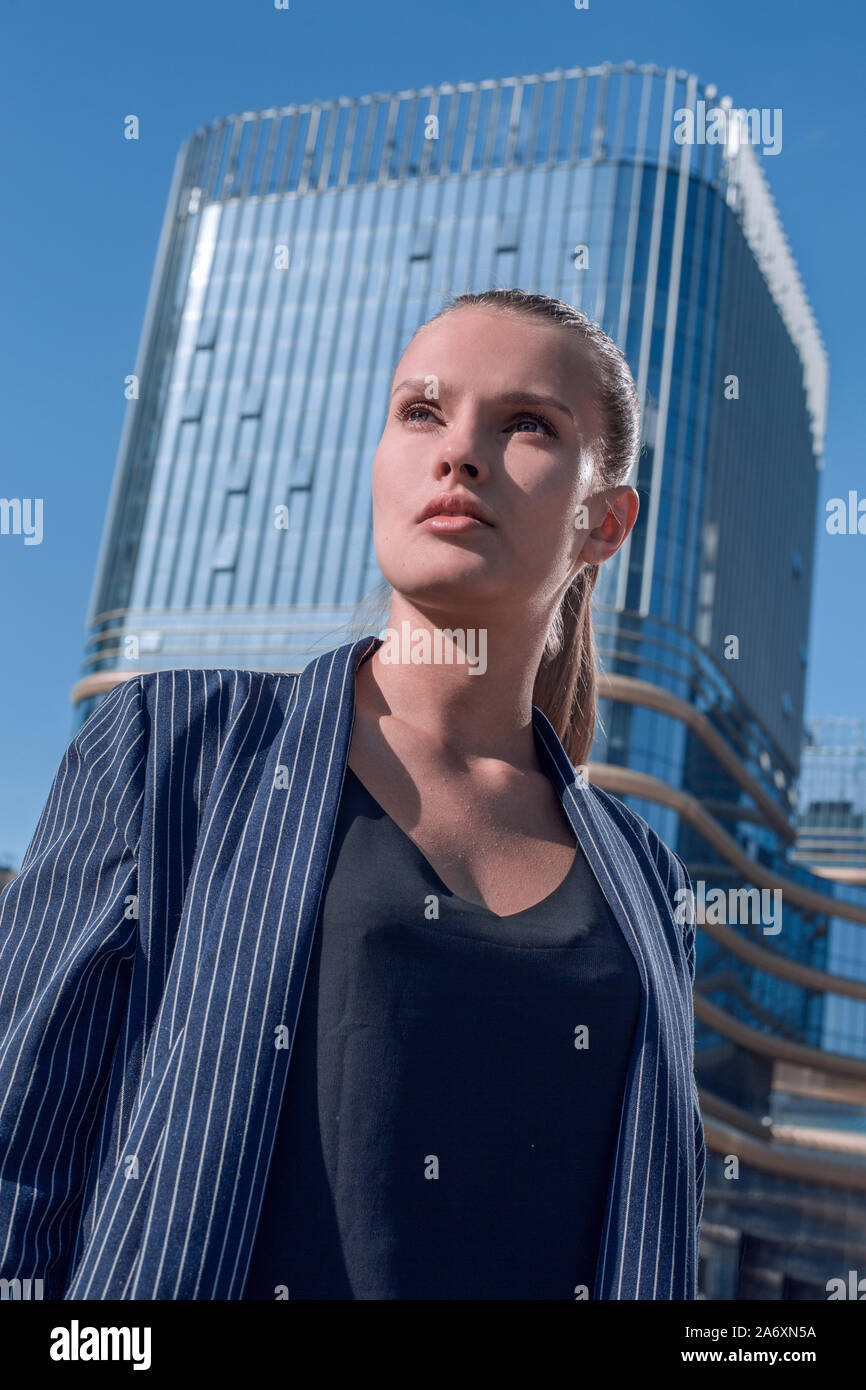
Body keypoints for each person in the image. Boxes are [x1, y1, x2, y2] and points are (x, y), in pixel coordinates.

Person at [0, 288, 704, 1301]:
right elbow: (19, 1157)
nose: (458, 453)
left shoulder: (644, 881)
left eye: (526, 425)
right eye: (420, 412)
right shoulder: (172, 748)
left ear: (605, 521)